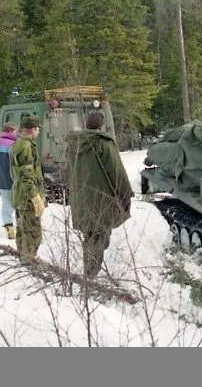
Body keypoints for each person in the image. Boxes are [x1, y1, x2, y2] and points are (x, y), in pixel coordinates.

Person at [65, 111, 134, 279]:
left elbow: (68, 172)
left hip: (81, 199)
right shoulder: (103, 144)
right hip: (100, 199)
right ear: (101, 126)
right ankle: (90, 277)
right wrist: (126, 195)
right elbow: (117, 172)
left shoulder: (73, 144)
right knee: (99, 237)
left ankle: (89, 272)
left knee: (90, 236)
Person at [9, 116, 46, 264]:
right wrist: (35, 197)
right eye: (37, 129)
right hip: (27, 198)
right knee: (32, 233)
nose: (38, 132)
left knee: (23, 232)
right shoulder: (26, 147)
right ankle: (29, 262)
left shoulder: (17, 144)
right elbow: (26, 175)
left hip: (20, 195)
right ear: (33, 129)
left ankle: (24, 258)